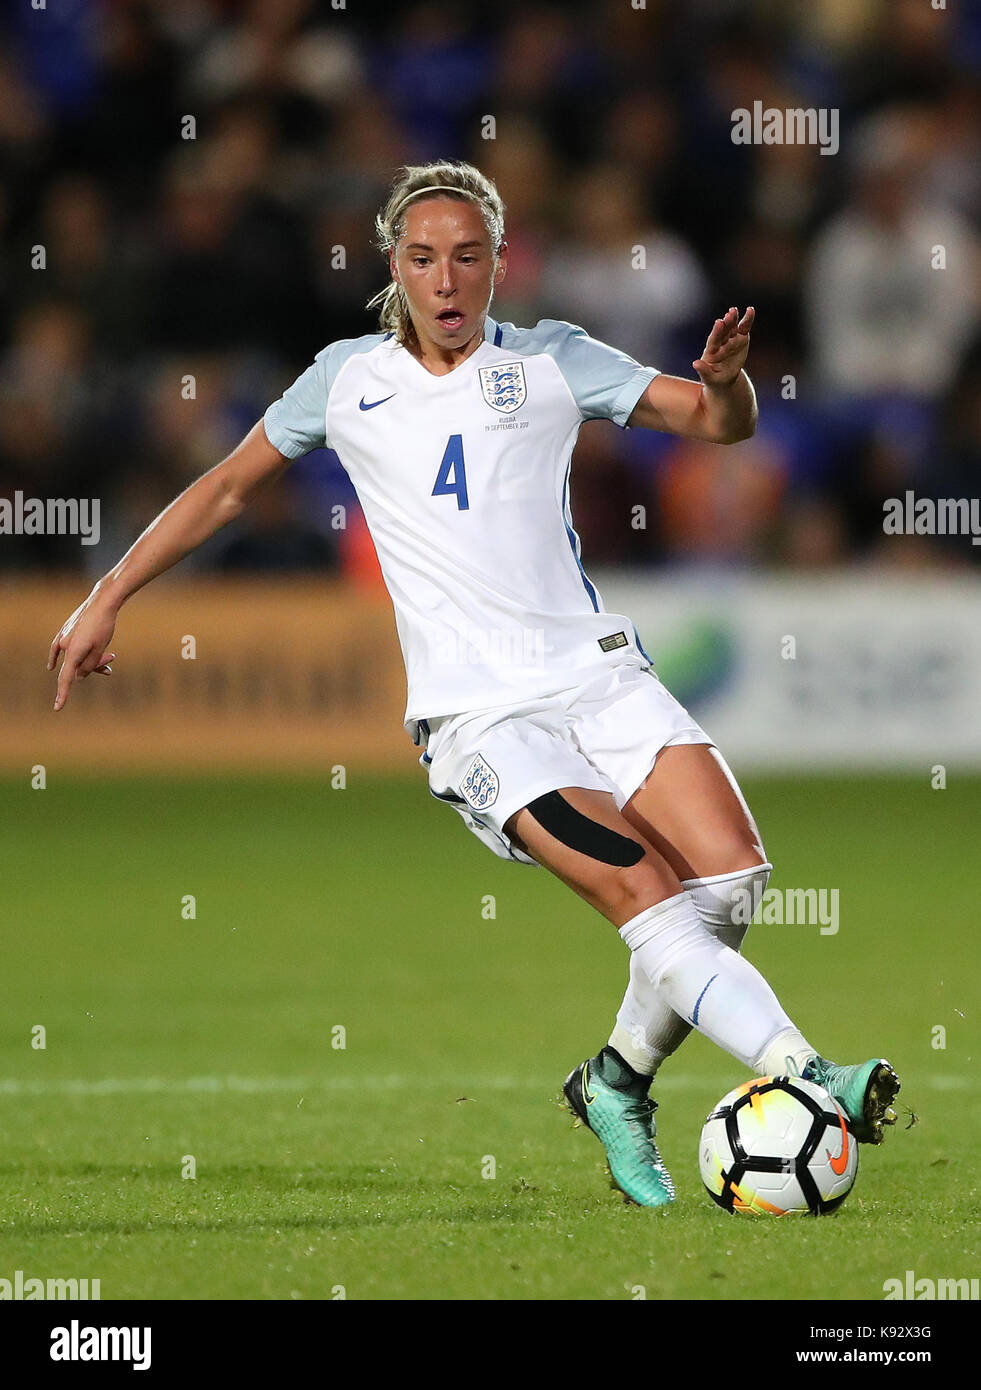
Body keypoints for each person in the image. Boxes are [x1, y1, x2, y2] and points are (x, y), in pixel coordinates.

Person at [48, 161, 899, 1208]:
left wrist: (726, 380)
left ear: (500, 263)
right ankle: (812, 1075)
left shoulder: (553, 361)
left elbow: (718, 426)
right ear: (393, 268)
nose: (446, 281)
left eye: (467, 256)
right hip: (480, 718)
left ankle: (617, 1082)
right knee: (646, 892)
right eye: (421, 259)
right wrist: (111, 591)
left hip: (597, 674)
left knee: (728, 885)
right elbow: (227, 487)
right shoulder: (345, 380)